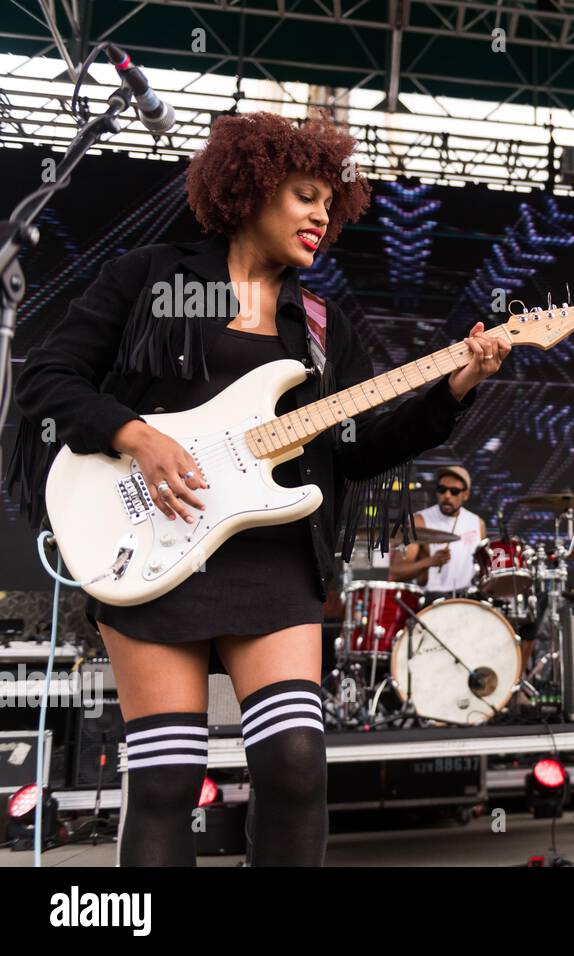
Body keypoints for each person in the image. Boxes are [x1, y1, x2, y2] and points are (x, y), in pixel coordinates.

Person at [5, 111, 510, 865]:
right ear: (250, 190)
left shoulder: (322, 324)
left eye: (330, 205)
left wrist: (456, 385)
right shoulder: (150, 276)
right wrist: (136, 436)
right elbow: (49, 377)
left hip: (272, 561)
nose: (321, 216)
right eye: (306, 195)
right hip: (151, 546)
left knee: (296, 765)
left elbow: (361, 450)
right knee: (168, 781)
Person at [388, 465, 486, 599]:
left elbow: (484, 569)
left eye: (454, 491)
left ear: (466, 494)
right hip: (433, 597)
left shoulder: (477, 523)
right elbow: (395, 573)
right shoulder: (419, 521)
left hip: (469, 597)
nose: (447, 495)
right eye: (442, 489)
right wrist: (430, 561)